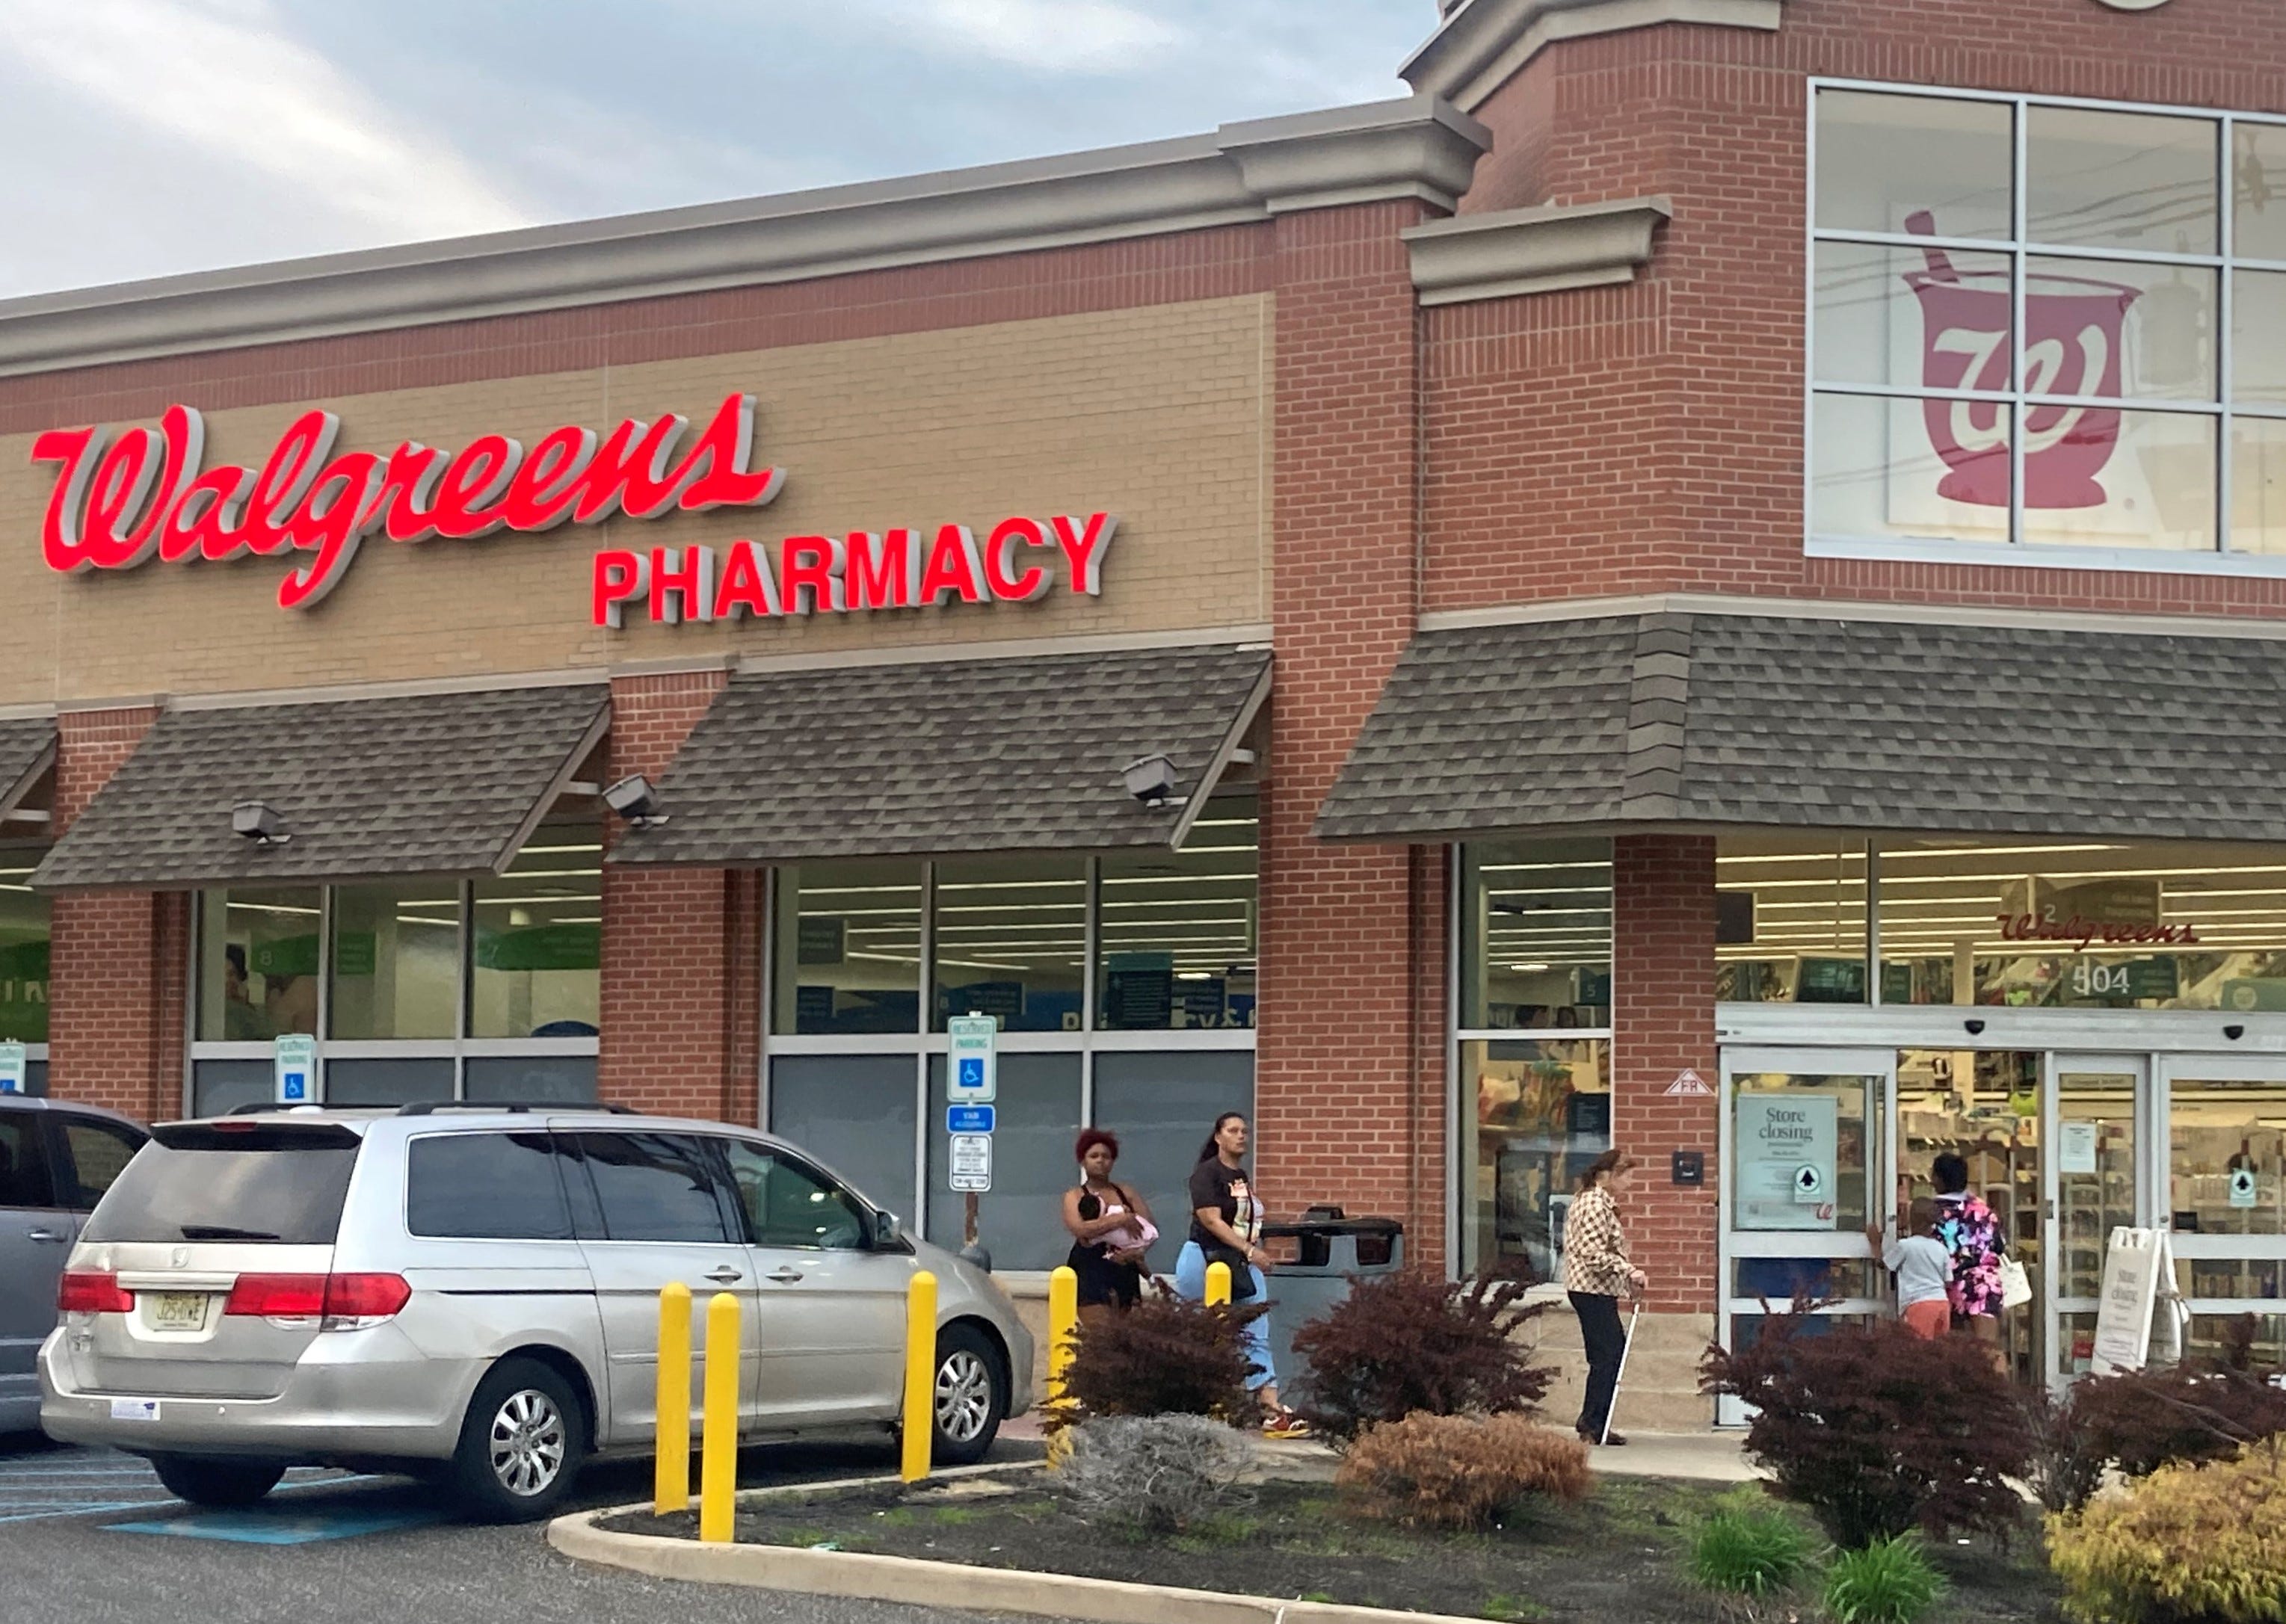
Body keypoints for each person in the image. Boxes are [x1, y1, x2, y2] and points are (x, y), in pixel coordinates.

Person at [1176, 1111, 1307, 1439]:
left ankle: (1271, 1409)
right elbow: (1211, 1220)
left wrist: (1249, 1252)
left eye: (1244, 1131)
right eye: (1233, 1131)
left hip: (1240, 1263)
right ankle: (1192, 1400)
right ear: (1218, 1136)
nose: (1240, 1136)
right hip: (1206, 1258)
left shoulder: (1240, 1176)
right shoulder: (1206, 1174)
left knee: (1256, 1331)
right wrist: (1251, 1251)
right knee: (1201, 1330)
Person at [1562, 1149, 1646, 1446]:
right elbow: (1593, 1254)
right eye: (1627, 1176)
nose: (1630, 1183)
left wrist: (1625, 1278)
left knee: (1609, 1355)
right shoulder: (1595, 1205)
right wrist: (1630, 1270)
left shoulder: (1595, 1201)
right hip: (1590, 1290)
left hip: (1596, 1290)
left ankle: (1597, 1421)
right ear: (1610, 1175)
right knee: (1608, 1356)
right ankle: (1592, 1423)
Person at [1059, 1129, 1154, 1321]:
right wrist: (1120, 1219)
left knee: (1127, 1333)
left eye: (1106, 1156)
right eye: (1094, 1156)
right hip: (1091, 1268)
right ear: (1083, 1161)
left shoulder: (1126, 1192)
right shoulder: (1075, 1196)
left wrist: (1137, 1251)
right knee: (1100, 1332)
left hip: (1125, 1268)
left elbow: (1149, 1230)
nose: (1100, 1161)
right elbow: (1080, 1229)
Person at [1931, 1151, 2007, 1344]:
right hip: (1983, 1284)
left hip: (1945, 1286)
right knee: (1988, 1348)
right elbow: (1999, 1246)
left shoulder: (1929, 1212)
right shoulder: (1983, 1210)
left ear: (1937, 1179)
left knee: (1952, 1349)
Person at [1867, 1197, 1953, 1339]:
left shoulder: (1905, 1246)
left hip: (1919, 1304)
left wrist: (1875, 1244)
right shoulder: (1941, 1248)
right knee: (1940, 1347)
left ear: (1911, 1221)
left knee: (1918, 1346)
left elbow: (1885, 1265)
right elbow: (1948, 1281)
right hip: (1942, 1303)